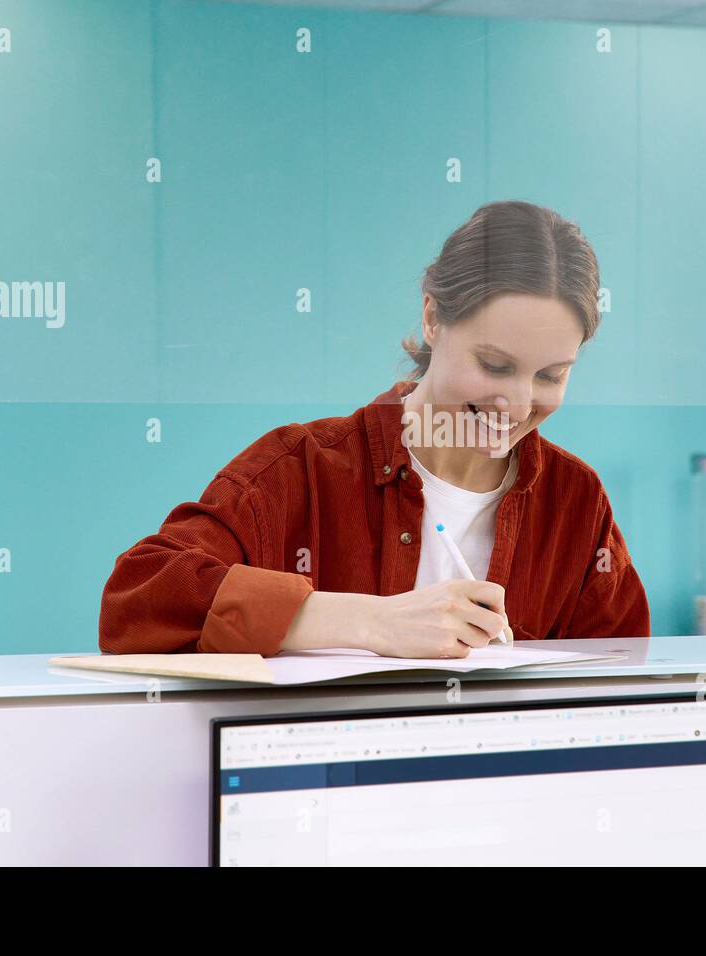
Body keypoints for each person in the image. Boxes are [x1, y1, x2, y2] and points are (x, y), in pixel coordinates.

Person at [99, 200, 650, 659]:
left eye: (551, 375)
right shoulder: (300, 470)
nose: (518, 403)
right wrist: (370, 622)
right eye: (494, 365)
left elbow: (626, 686)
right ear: (433, 318)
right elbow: (137, 599)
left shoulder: (575, 502)